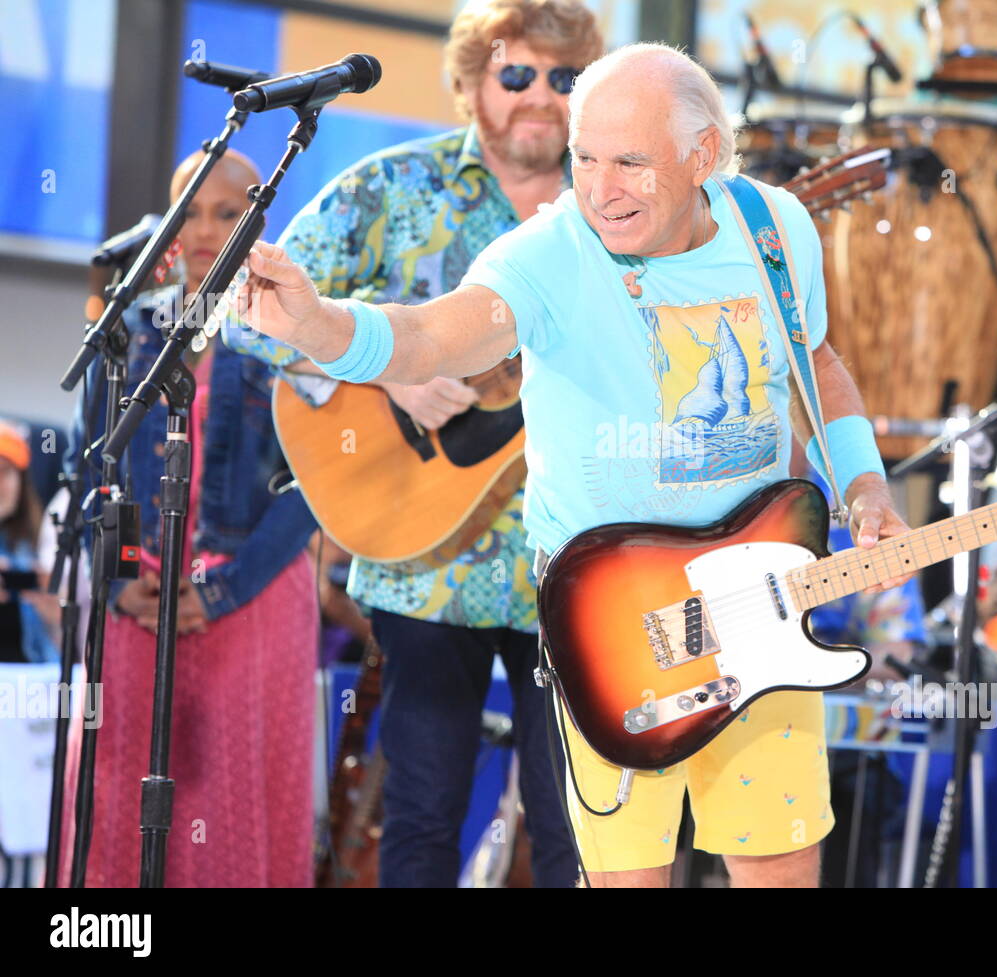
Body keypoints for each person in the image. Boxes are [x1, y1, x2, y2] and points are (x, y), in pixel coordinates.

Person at [232, 42, 914, 888]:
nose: (600, 187)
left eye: (631, 161)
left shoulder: (776, 228)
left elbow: (817, 363)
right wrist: (319, 328)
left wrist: (864, 485)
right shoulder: (549, 251)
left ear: (704, 156)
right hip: (616, 622)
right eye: (585, 157)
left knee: (778, 866)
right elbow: (429, 338)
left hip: (755, 606)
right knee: (625, 875)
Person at [226, 0, 599, 887]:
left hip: (573, 563)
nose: (540, 96)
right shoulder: (390, 189)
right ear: (471, 85)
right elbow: (252, 314)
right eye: (516, 74)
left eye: (565, 79)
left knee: (578, 827)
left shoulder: (613, 220)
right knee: (423, 814)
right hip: (422, 554)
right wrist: (383, 370)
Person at [61, 148, 320, 888]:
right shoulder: (126, 330)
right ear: (166, 229)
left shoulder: (297, 329)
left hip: (252, 599)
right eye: (188, 211)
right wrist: (114, 584)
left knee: (229, 802)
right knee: (115, 795)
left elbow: (312, 487)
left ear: (259, 222)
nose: (205, 229)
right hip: (138, 601)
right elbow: (89, 468)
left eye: (228, 211)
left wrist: (224, 589)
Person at [0, 421, 59, 664]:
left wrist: (56, 615)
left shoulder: (44, 543)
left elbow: (67, 654)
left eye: (4, 471)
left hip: (30, 688)